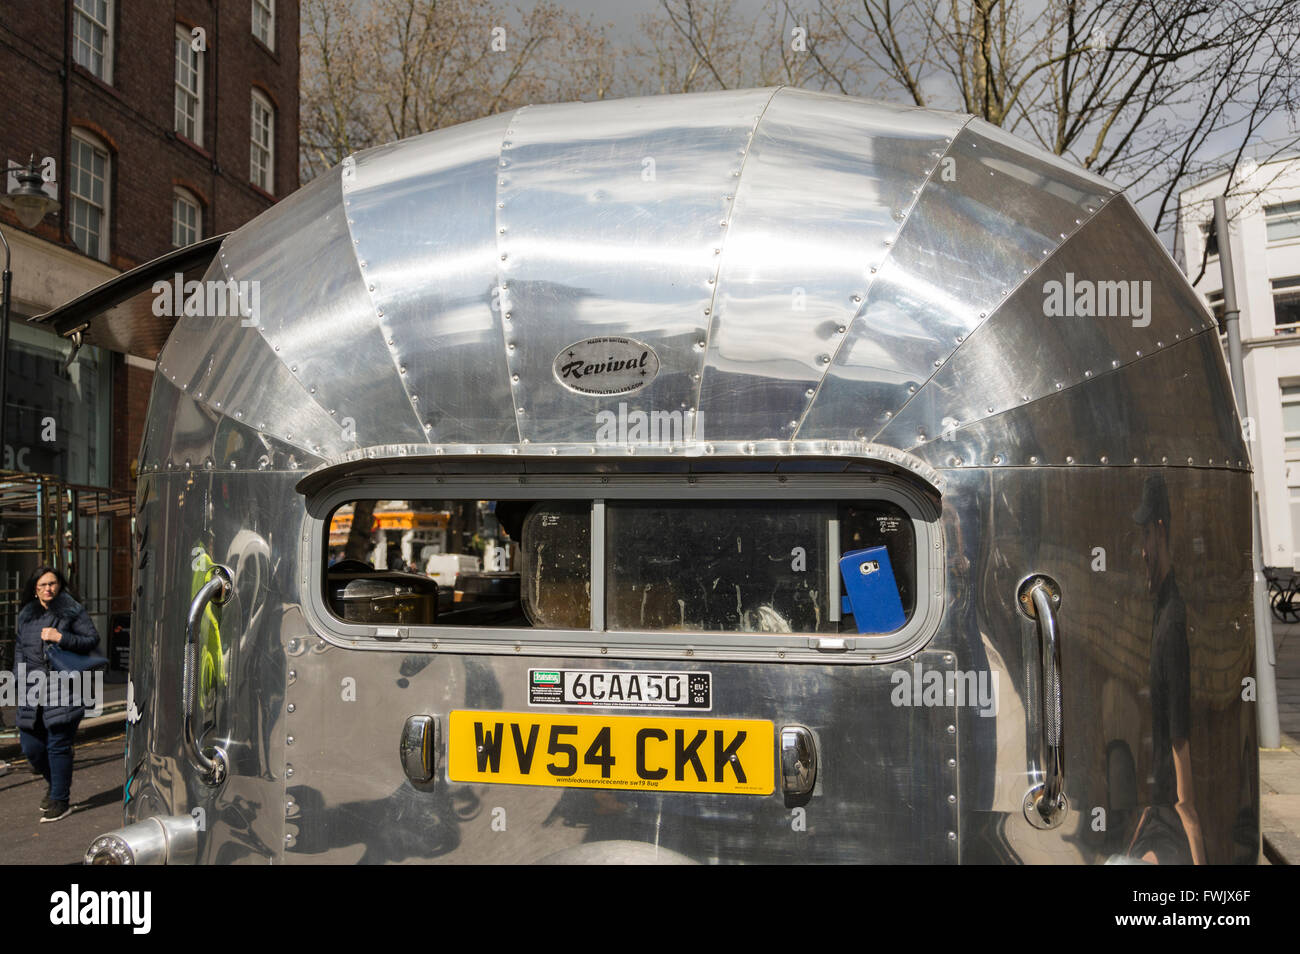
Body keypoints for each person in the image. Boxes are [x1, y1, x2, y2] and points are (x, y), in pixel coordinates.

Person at [14, 566, 101, 823]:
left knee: (58, 745)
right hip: (32, 687)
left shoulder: (72, 611)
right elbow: (20, 648)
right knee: (31, 747)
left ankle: (61, 801)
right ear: (34, 588)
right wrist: (18, 679)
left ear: (60, 585)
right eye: (42, 585)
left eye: (52, 583)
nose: (48, 588)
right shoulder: (26, 616)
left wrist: (61, 637)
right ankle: (55, 786)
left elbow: (91, 640)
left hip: (66, 687)